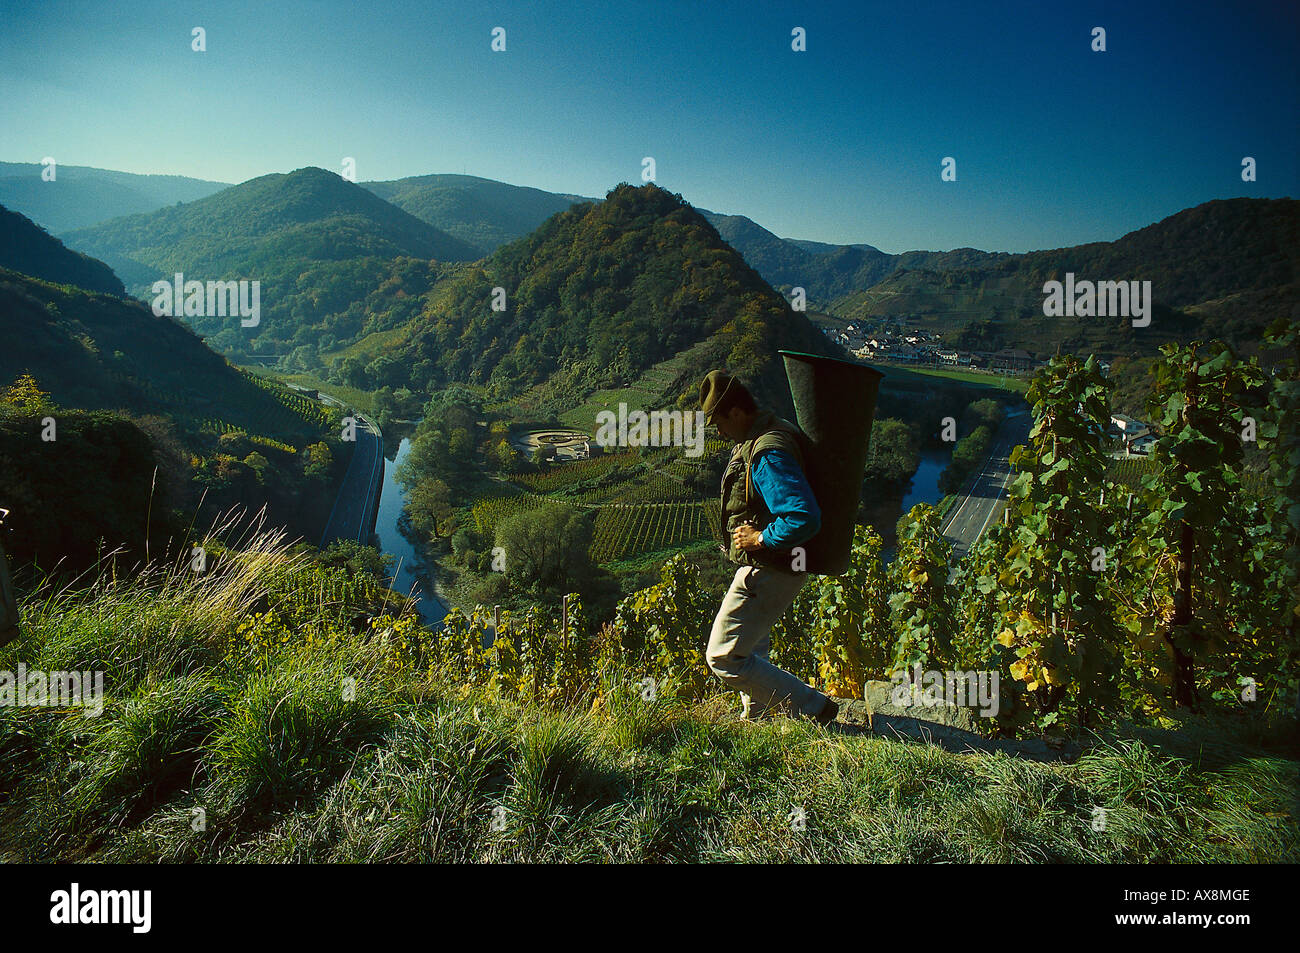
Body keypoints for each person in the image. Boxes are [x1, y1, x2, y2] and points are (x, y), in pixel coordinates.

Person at [699, 370, 838, 725]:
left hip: (770, 568)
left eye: (718, 423)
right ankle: (756, 719)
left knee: (723, 657)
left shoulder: (767, 453)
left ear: (735, 412)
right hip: (783, 565)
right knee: (750, 646)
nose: (718, 433)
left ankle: (815, 708)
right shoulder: (771, 430)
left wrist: (759, 538)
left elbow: (802, 517)